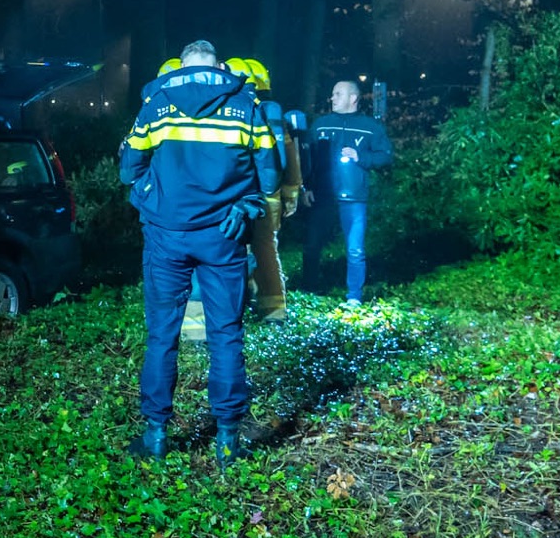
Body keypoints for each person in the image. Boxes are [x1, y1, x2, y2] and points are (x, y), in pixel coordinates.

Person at [119, 40, 280, 465]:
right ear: (219, 66)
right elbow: (270, 175)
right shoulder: (245, 104)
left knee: (162, 335)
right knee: (225, 333)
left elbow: (127, 169)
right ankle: (228, 440)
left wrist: (151, 197)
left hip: (166, 236)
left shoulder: (157, 103)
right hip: (224, 237)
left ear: (180, 66)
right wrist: (245, 202)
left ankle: (155, 436)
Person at [301, 79, 394, 304]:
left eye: (338, 94)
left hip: (354, 198)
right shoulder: (321, 125)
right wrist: (306, 186)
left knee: (355, 250)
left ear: (353, 98)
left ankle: (354, 297)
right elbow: (306, 159)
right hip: (323, 196)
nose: (332, 98)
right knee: (312, 246)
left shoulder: (370, 126)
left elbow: (386, 156)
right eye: (332, 94)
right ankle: (307, 293)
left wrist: (361, 157)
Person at [230, 58, 301, 322]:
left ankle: (235, 306)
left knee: (232, 252)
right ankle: (274, 311)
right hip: (269, 198)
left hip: (238, 196)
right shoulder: (273, 113)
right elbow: (290, 160)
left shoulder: (232, 109)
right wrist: (291, 196)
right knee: (267, 251)